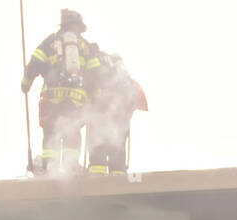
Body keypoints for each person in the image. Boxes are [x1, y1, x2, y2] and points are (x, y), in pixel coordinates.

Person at [21, 9, 103, 174]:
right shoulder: (86, 46)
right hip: (76, 100)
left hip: (51, 98)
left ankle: (50, 168)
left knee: (50, 133)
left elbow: (35, 63)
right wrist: (96, 95)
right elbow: (95, 73)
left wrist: (26, 82)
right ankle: (71, 167)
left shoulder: (49, 42)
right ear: (77, 27)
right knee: (72, 133)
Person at [86, 51, 147, 176]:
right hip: (121, 122)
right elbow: (139, 101)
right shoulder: (128, 82)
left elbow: (86, 99)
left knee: (98, 147)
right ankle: (118, 175)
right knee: (117, 149)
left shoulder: (98, 82)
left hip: (98, 121)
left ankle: (97, 174)